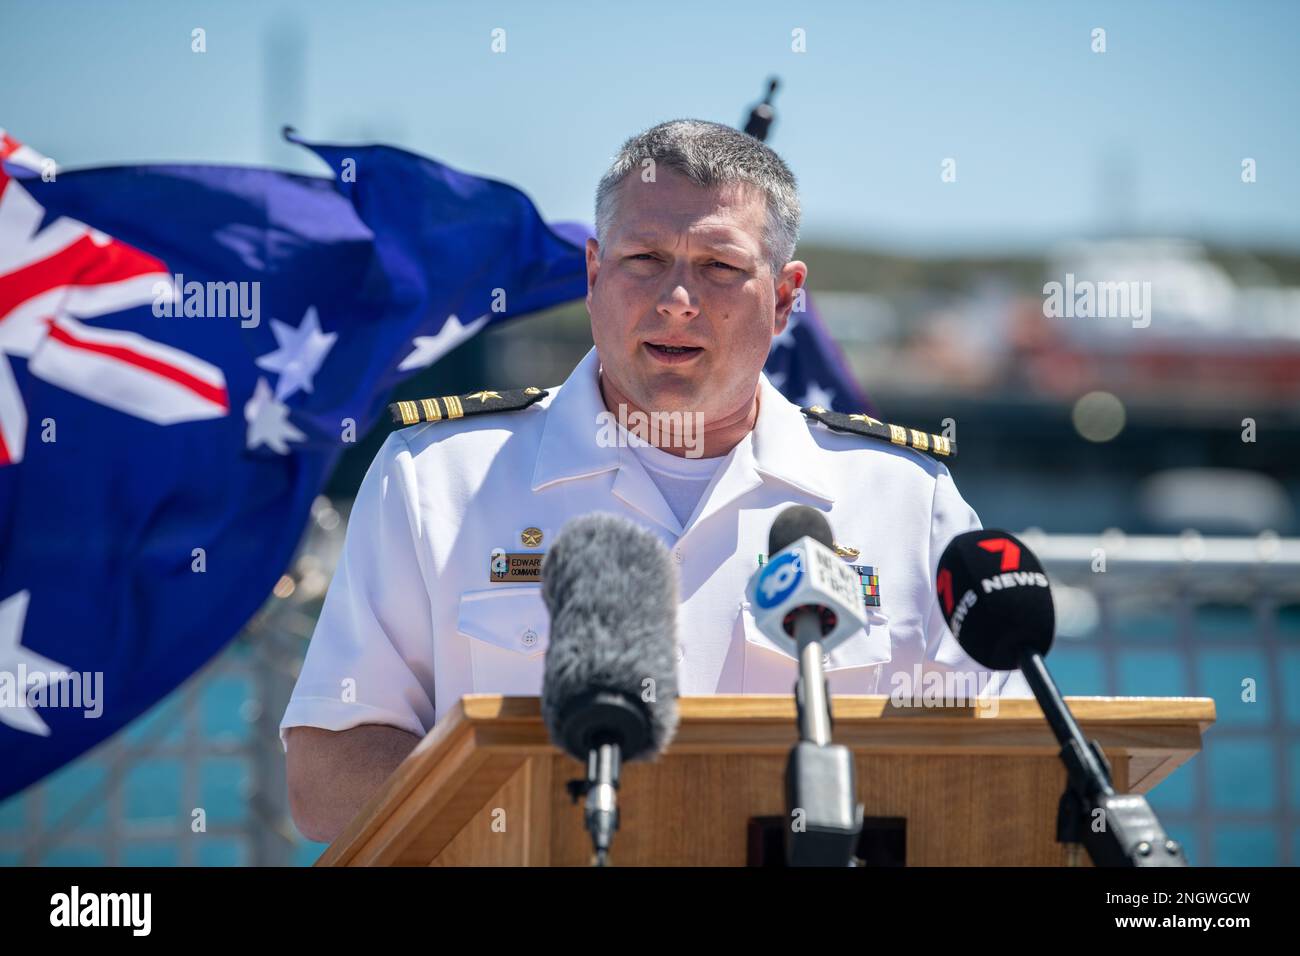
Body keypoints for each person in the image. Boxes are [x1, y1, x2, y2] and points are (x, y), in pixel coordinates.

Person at [282, 119, 1028, 844]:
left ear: (784, 298)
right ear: (594, 274)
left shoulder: (906, 500)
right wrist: (548, 827)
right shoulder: (437, 478)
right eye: (644, 258)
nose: (677, 298)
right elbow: (327, 777)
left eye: (719, 267)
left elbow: (1012, 767)